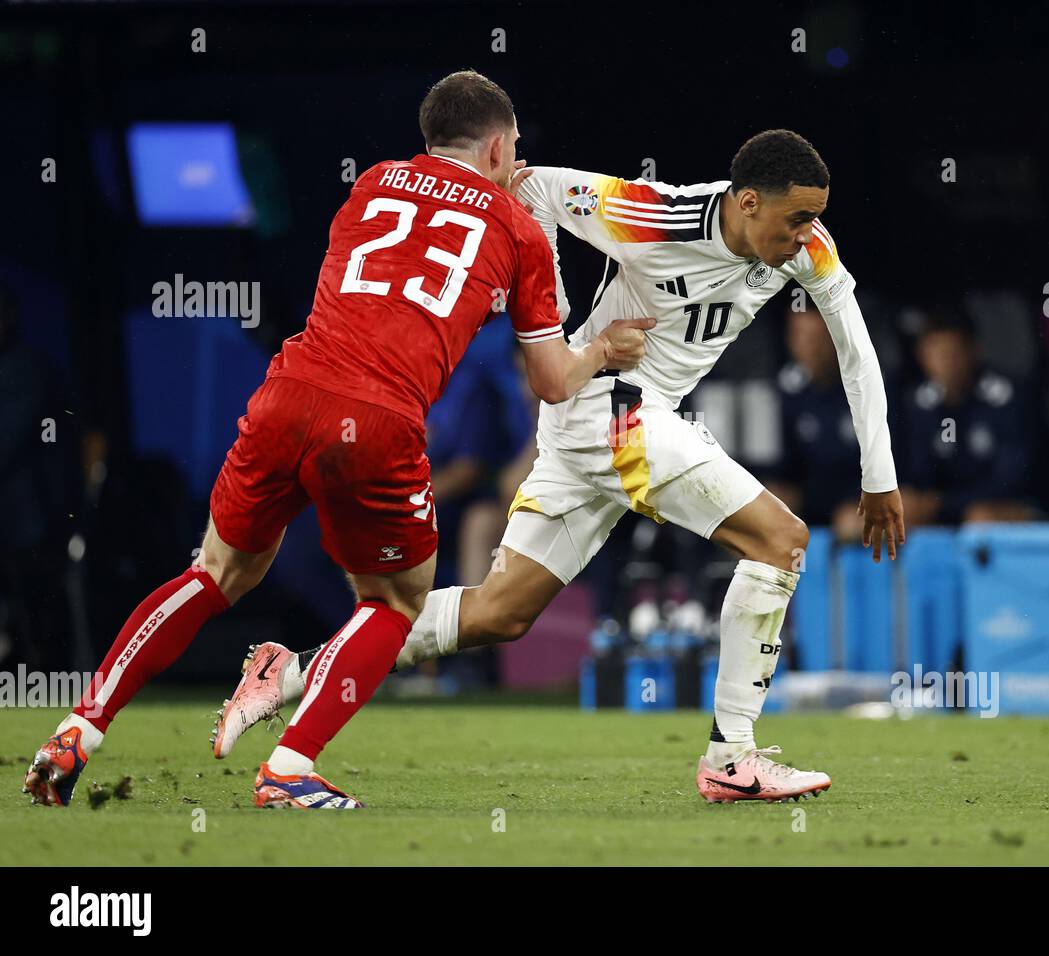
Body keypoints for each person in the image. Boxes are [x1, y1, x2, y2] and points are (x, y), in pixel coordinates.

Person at [218, 129, 905, 803]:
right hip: (615, 410)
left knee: (498, 613)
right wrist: (551, 323)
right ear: (748, 201)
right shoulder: (655, 214)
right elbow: (532, 185)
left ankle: (287, 672)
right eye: (797, 217)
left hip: (603, 421)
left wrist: (880, 476)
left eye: (816, 216)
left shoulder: (807, 249)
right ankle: (733, 757)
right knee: (780, 539)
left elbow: (856, 348)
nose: (809, 233)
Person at [25, 69, 650, 809]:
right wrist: (605, 350)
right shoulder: (518, 230)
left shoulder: (374, 183)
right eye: (510, 151)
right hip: (378, 421)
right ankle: (290, 764)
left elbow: (391, 275)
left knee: (214, 572)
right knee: (392, 600)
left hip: (288, 391)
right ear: (496, 146)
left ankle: (79, 726)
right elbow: (550, 379)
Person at [899, 313, 1036, 525]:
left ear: (974, 350)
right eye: (938, 354)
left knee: (981, 518)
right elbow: (916, 474)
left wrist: (943, 504)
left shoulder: (1005, 398)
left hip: (1003, 507)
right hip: (943, 510)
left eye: (954, 354)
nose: (947, 364)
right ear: (922, 357)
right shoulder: (917, 404)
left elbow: (1011, 482)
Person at [767, 305, 870, 543]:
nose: (810, 348)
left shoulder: (865, 385)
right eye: (800, 337)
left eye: (818, 338)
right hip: (808, 499)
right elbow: (780, 469)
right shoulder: (784, 393)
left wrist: (860, 501)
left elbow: (887, 463)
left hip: (858, 498)